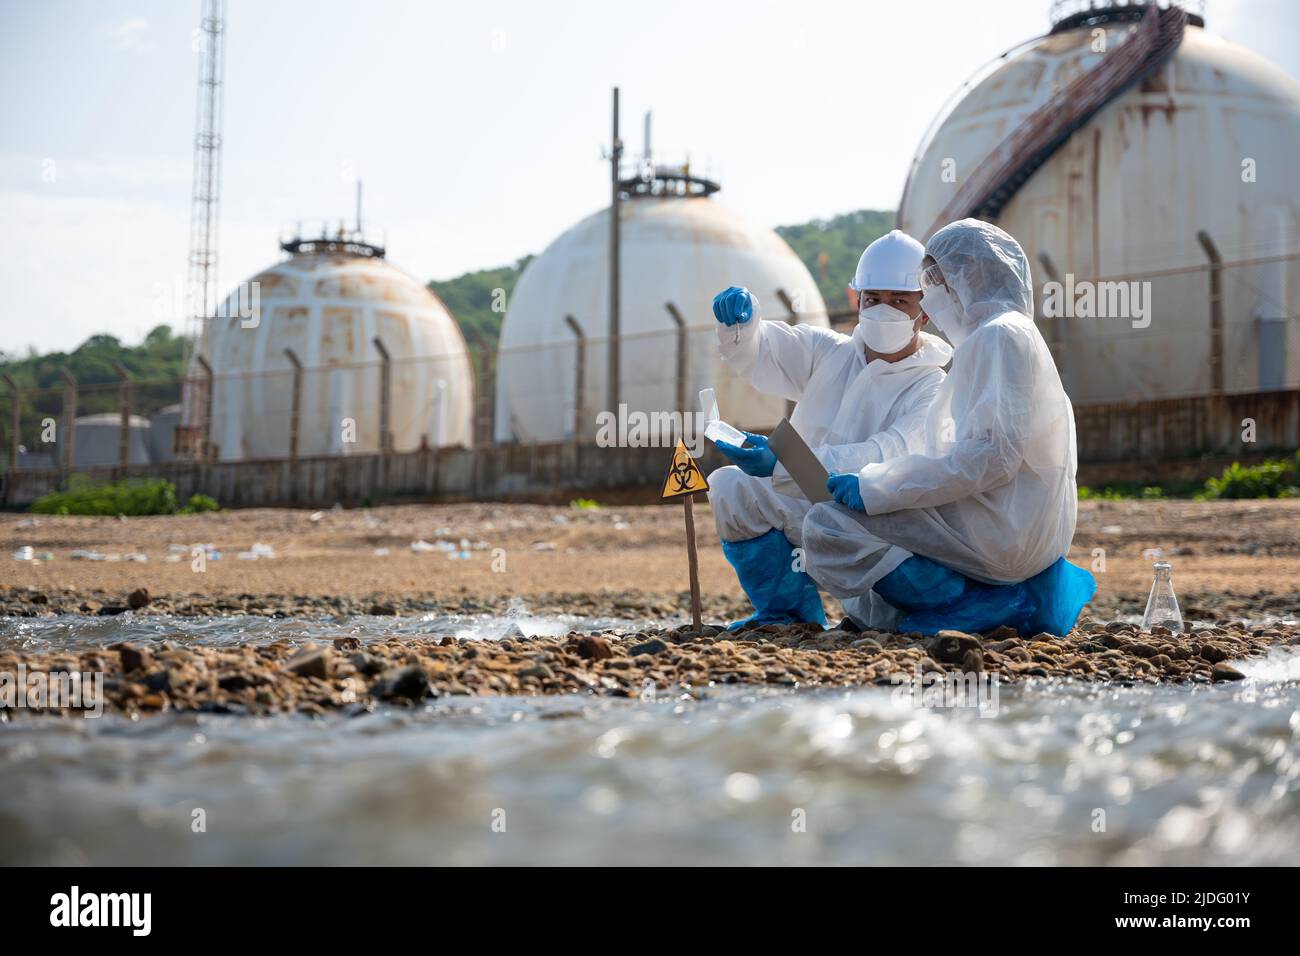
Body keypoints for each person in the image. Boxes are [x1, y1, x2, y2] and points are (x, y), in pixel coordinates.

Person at [805, 218, 1096, 636]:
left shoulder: (997, 337)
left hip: (1005, 532)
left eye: (934, 279)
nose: (931, 294)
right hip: (1021, 525)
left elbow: (990, 458)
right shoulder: (1005, 334)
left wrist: (875, 487)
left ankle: (975, 605)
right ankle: (981, 600)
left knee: (827, 525)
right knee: (874, 606)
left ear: (966, 275)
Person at [707, 229, 953, 630]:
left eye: (899, 300)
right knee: (734, 489)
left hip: (881, 521)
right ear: (858, 301)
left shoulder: (931, 387)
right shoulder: (831, 354)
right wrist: (743, 323)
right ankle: (786, 615)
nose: (882, 310)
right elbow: (763, 351)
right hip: (810, 494)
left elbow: (886, 456)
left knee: (886, 621)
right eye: (872, 298)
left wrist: (784, 462)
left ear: (924, 312)